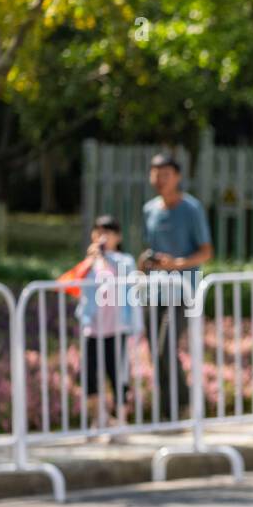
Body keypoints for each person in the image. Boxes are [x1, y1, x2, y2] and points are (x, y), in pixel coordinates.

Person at [140, 153, 212, 420]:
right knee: (155, 352)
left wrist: (177, 264)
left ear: (178, 177)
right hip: (153, 292)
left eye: (166, 174)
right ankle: (169, 410)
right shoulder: (149, 209)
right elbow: (150, 248)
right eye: (155, 174)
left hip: (183, 292)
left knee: (165, 348)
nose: (160, 179)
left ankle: (180, 405)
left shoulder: (191, 209)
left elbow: (206, 252)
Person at [74, 216, 141, 429]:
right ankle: (99, 417)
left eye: (108, 232)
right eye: (98, 231)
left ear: (118, 237)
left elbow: (128, 279)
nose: (102, 236)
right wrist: (91, 259)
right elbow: (76, 281)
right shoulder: (90, 261)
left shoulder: (124, 260)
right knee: (90, 374)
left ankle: (120, 419)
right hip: (93, 327)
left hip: (117, 327)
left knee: (117, 374)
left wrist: (105, 256)